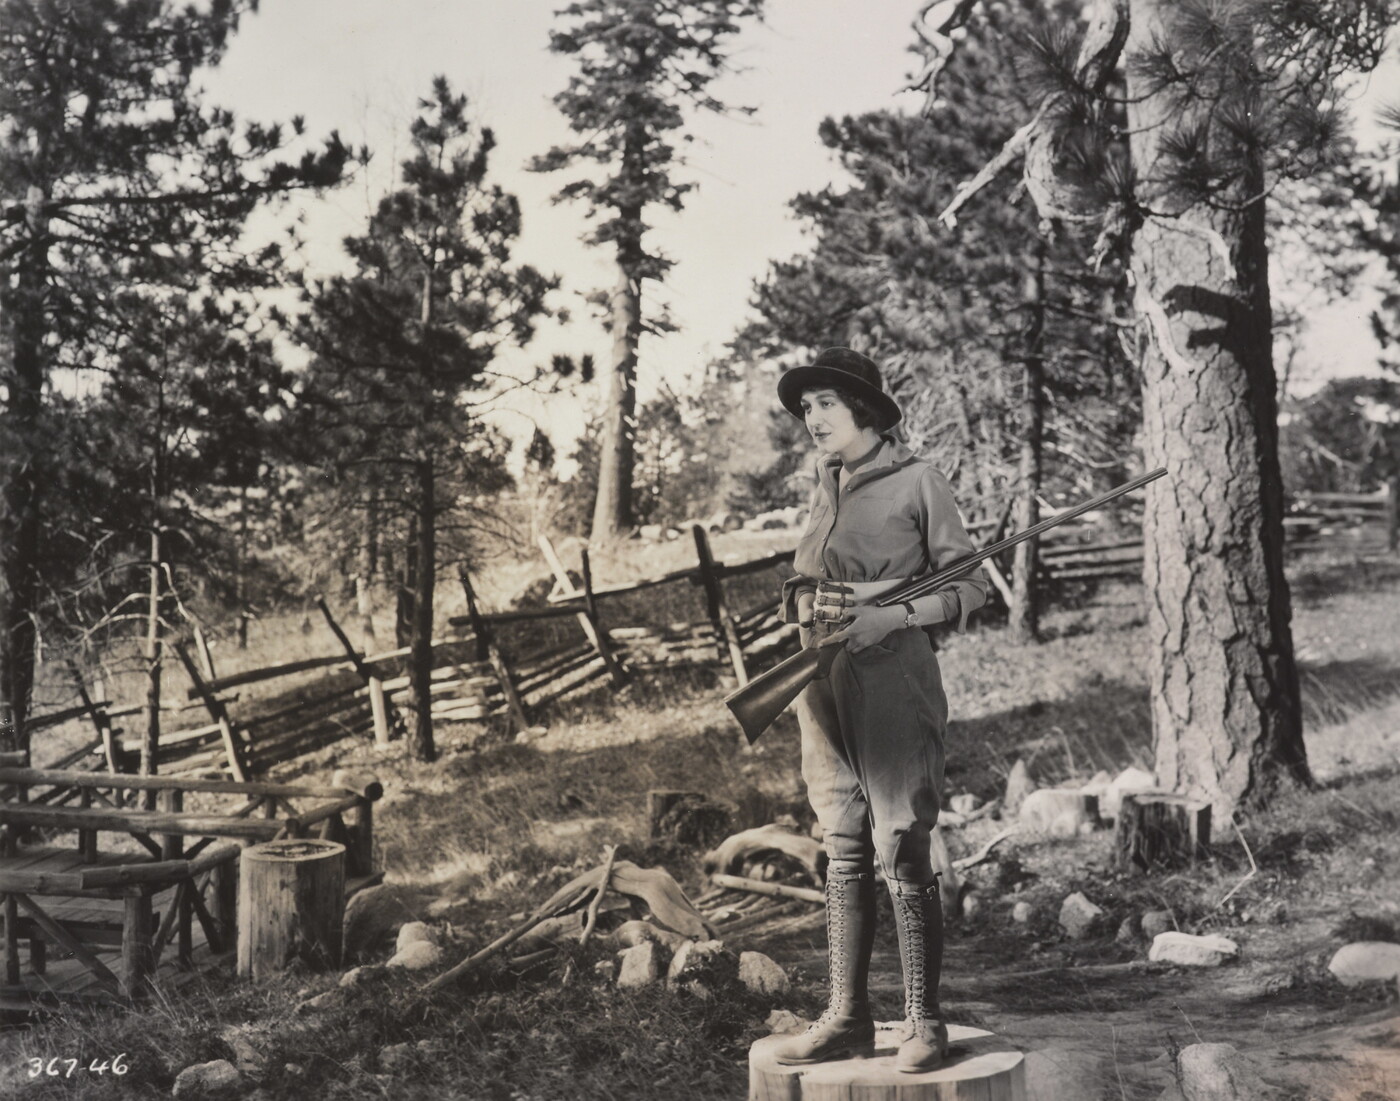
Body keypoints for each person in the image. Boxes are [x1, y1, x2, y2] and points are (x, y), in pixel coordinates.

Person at [769, 347, 989, 1073]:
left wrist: (886, 616)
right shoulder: (824, 487)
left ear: (863, 407)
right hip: (822, 680)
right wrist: (812, 601)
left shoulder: (920, 480)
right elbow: (805, 578)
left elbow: (969, 589)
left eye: (825, 403)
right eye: (806, 408)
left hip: (894, 674)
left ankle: (925, 1019)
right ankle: (847, 1017)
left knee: (901, 837)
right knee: (843, 836)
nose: (813, 419)